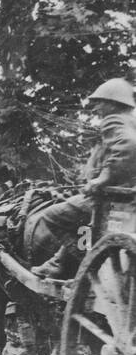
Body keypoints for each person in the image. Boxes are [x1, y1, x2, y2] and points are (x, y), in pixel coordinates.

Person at [31, 78, 136, 278]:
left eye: (100, 102)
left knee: (51, 216)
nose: (96, 108)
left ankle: (86, 264)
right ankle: (59, 260)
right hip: (129, 201)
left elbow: (129, 146)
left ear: (113, 102)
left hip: (111, 200)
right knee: (81, 223)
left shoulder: (114, 119)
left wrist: (101, 179)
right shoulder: (132, 120)